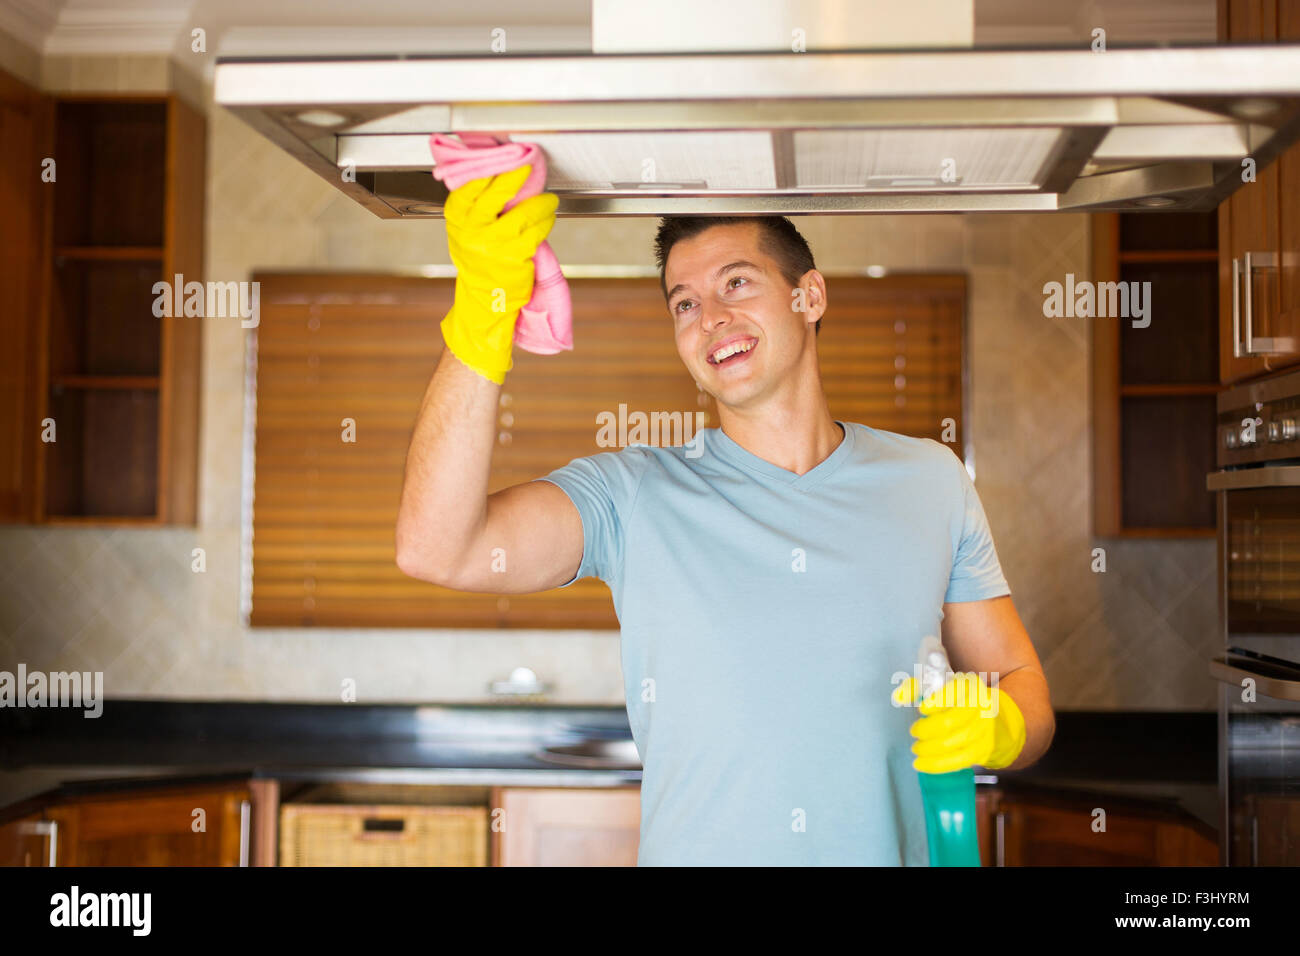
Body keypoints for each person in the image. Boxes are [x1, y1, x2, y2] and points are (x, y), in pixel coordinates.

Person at [396, 165, 1055, 865]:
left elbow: (1022, 684)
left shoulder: (930, 481)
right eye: (684, 303)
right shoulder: (635, 494)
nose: (710, 317)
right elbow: (437, 550)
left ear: (809, 295)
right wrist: (482, 313)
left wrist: (1005, 728)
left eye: (736, 283)